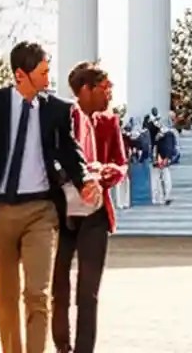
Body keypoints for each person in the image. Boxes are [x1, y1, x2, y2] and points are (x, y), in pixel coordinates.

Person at [0, 41, 102, 353]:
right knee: (6, 297)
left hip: (40, 211)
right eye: (42, 71)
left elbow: (70, 151)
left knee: (37, 294)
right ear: (20, 75)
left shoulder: (57, 109)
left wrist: (84, 182)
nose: (48, 76)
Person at [52, 62, 128, 353]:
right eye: (105, 88)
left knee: (88, 291)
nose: (110, 95)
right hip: (62, 213)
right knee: (59, 287)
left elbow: (121, 164)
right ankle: (62, 346)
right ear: (85, 90)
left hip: (96, 213)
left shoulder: (110, 122)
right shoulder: (61, 118)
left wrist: (104, 173)